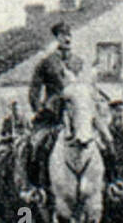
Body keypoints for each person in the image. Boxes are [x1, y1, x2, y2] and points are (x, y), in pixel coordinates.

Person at [26, 22, 84, 190]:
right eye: (62, 35)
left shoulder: (79, 62)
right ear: (56, 38)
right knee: (36, 145)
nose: (66, 38)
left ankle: (111, 181)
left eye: (68, 34)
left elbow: (88, 87)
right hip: (53, 113)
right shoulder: (46, 63)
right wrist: (38, 110)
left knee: (105, 140)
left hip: (79, 113)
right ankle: (36, 186)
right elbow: (34, 90)